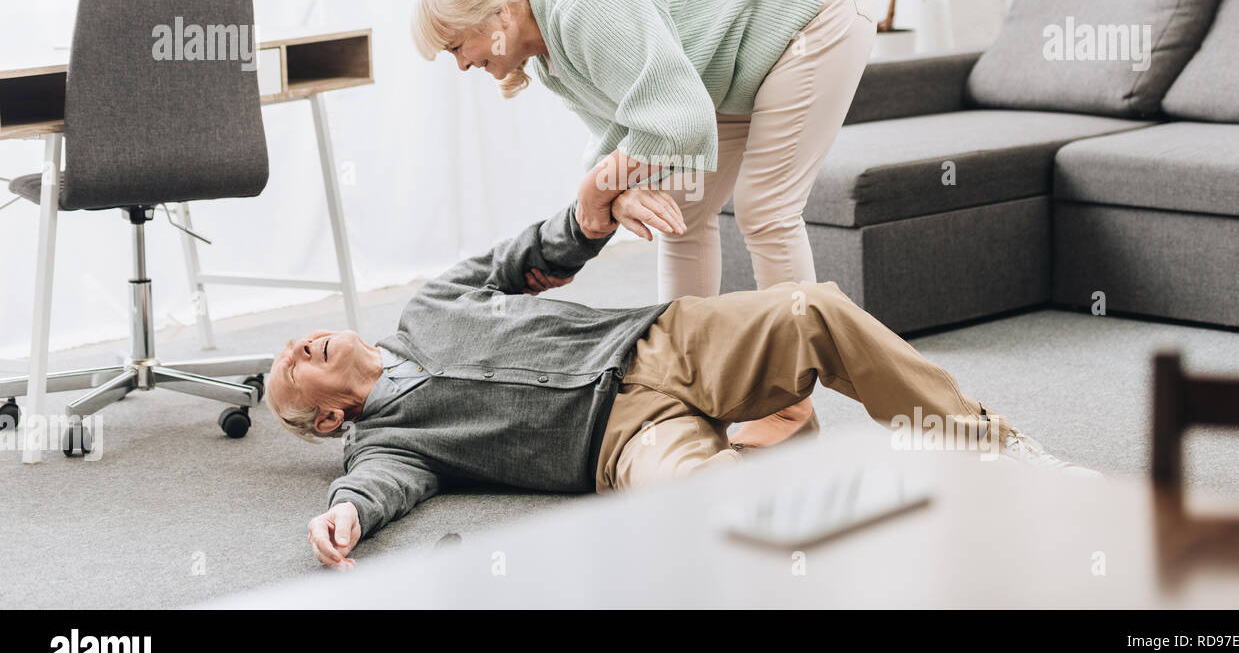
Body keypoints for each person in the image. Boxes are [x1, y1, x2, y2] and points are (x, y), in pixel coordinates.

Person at [264, 189, 1098, 570]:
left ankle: (986, 451)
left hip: (660, 340)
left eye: (301, 339)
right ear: (332, 418)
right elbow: (374, 490)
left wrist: (588, 213)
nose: (305, 341)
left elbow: (523, 256)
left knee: (812, 308)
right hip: (620, 440)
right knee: (731, 525)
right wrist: (343, 518)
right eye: (297, 365)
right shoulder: (387, 441)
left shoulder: (426, 307)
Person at [410, 0, 877, 449]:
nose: (463, 64)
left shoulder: (584, 4)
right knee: (682, 215)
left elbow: (679, 122)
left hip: (811, 7)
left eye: (456, 47)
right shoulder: (547, 59)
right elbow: (619, 135)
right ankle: (691, 392)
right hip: (729, 67)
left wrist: (601, 188)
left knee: (765, 209)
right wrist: (620, 190)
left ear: (497, 12)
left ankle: (791, 406)